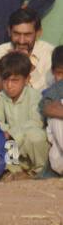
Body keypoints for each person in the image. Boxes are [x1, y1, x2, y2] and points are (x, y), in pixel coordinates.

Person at [0, 51, 48, 176]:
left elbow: (36, 122)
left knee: (36, 136)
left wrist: (11, 133)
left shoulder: (34, 96)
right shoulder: (2, 97)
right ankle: (14, 171)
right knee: (5, 140)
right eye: (5, 80)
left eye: (15, 80)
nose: (9, 86)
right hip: (14, 147)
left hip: (29, 144)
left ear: (27, 79)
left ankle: (40, 170)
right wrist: (6, 132)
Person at [0, 9, 55, 91]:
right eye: (16, 34)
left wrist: (29, 68)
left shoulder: (50, 54)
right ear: (9, 31)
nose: (21, 41)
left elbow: (49, 91)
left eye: (27, 35)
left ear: (38, 33)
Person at [41, 45, 63, 176]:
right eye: (60, 73)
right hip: (59, 158)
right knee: (57, 117)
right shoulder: (51, 93)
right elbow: (49, 108)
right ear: (53, 72)